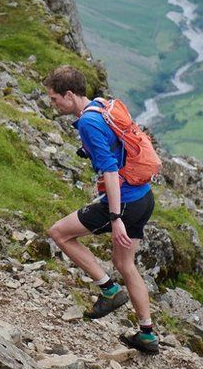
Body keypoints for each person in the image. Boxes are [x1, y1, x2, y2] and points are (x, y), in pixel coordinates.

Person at [44, 65, 159, 354]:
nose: (53, 104)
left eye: (55, 98)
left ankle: (108, 290)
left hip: (124, 202)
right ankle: (147, 334)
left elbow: (109, 170)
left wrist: (115, 217)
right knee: (126, 264)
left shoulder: (88, 123)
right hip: (144, 197)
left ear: (69, 95)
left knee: (59, 233)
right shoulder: (102, 106)